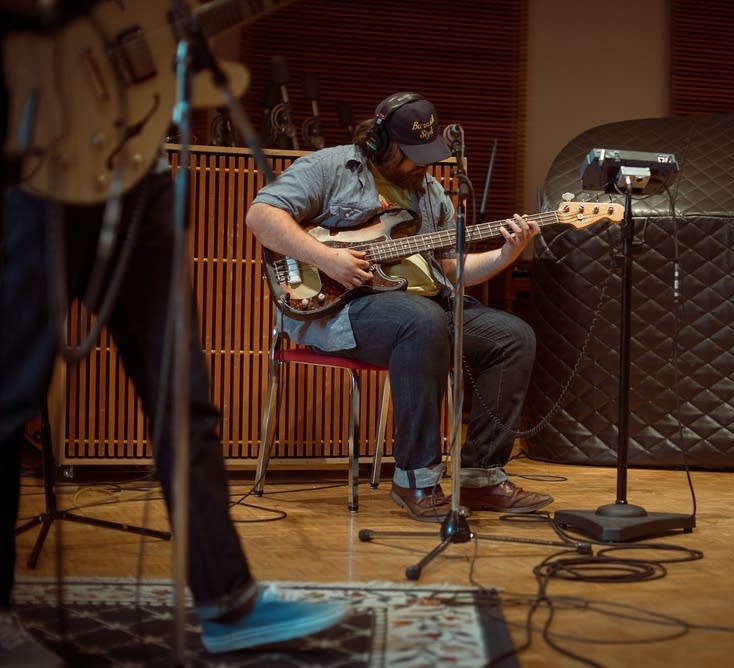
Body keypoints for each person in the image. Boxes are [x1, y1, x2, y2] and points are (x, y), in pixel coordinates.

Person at [0, 4, 348, 663]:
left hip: (140, 168)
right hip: (32, 157)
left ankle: (227, 600)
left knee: (183, 398)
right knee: (10, 399)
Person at [245, 92, 553, 522]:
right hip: (343, 310)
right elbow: (261, 217)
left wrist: (506, 256)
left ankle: (481, 476)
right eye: (412, 155)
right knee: (421, 321)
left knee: (513, 337)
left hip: (423, 306)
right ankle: (416, 480)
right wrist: (326, 257)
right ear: (379, 141)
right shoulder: (332, 167)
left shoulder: (430, 193)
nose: (422, 165)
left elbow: (453, 268)